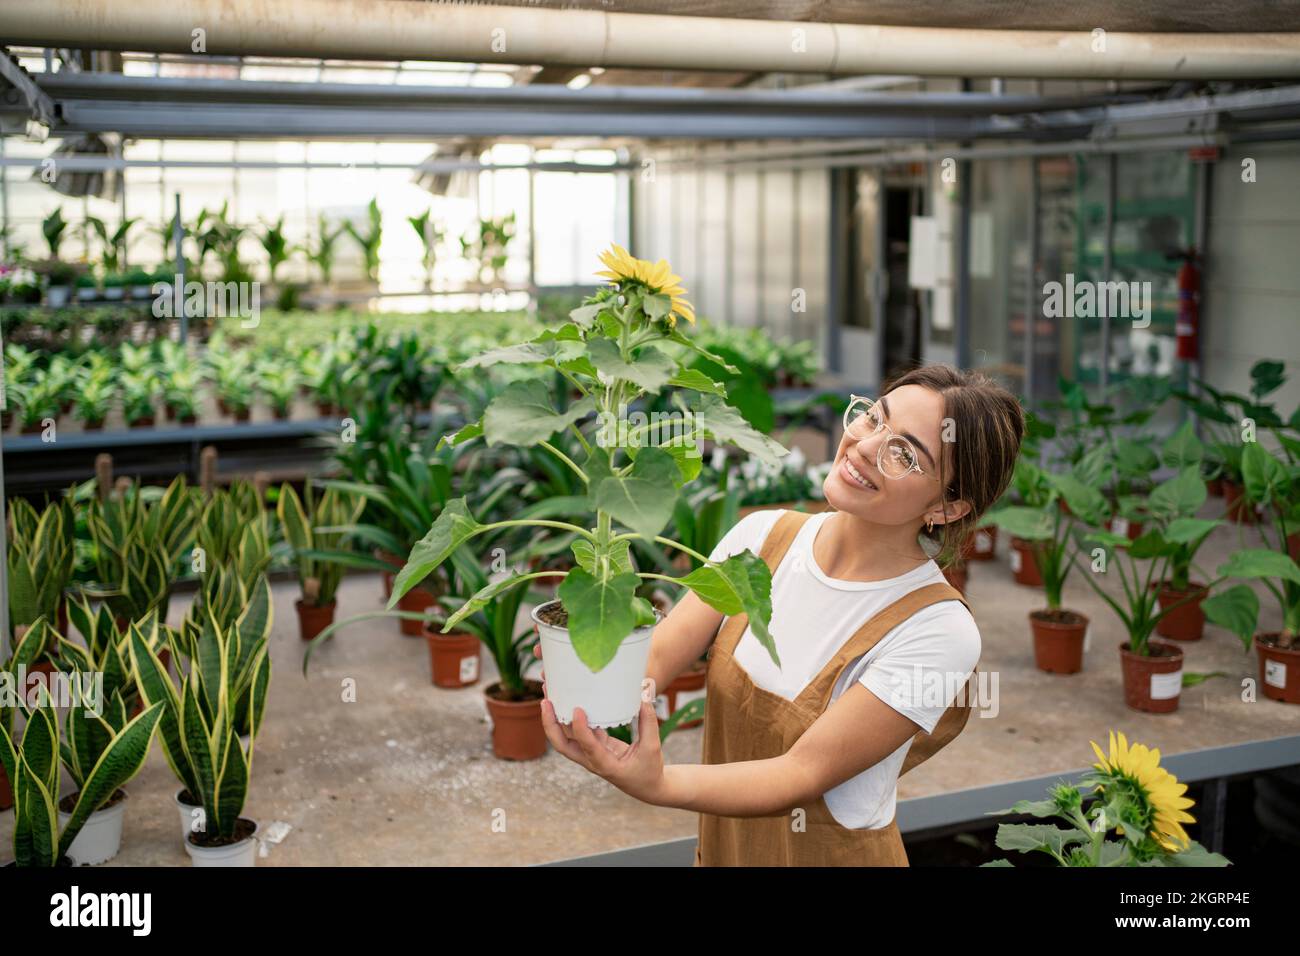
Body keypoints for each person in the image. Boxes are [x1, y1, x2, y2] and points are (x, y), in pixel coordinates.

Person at [538, 364, 1025, 866]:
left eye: (903, 453)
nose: (864, 446)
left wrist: (655, 782)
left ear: (947, 509)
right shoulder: (761, 538)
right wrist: (590, 677)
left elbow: (800, 773)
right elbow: (659, 656)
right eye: (875, 419)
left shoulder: (938, 629)